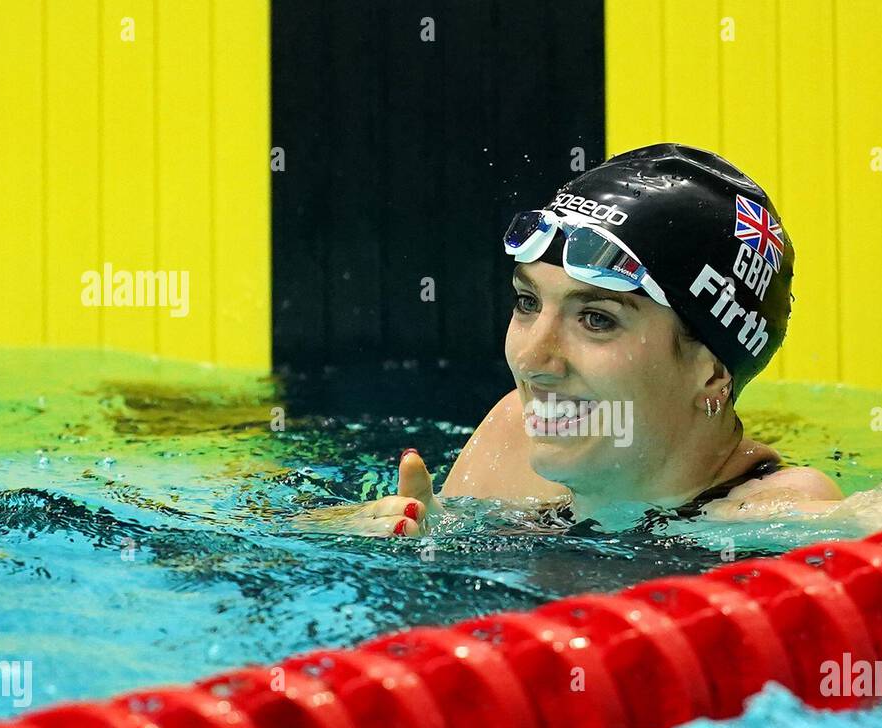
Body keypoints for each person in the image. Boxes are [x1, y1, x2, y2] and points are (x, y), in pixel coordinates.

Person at [303, 144, 843, 537]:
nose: (533, 360)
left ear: (713, 369)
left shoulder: (780, 517)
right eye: (528, 303)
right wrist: (372, 530)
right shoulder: (515, 434)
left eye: (596, 320)